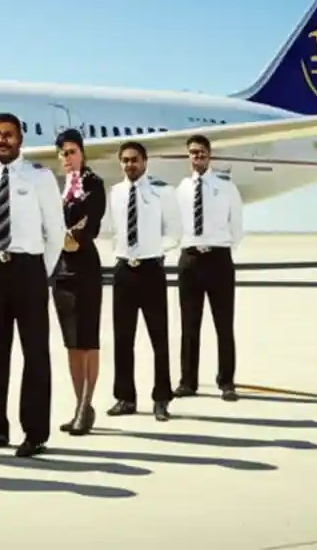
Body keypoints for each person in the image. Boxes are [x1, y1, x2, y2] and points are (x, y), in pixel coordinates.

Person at [0, 112, 64, 458]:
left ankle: (35, 432)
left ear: (20, 139)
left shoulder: (40, 177)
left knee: (35, 353)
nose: (2, 140)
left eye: (8, 134)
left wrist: (40, 271)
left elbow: (55, 232)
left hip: (29, 270)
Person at [102, 141, 181, 421]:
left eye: (134, 160)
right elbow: (111, 230)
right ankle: (125, 397)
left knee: (158, 338)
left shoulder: (162, 192)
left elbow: (174, 231)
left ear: (145, 162)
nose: (129, 165)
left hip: (151, 271)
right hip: (123, 271)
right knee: (123, 339)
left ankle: (162, 398)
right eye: (124, 160)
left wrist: (157, 253)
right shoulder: (115, 193)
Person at [174, 134, 243, 401]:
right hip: (190, 260)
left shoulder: (225, 186)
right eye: (193, 153)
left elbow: (236, 224)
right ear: (188, 157)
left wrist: (220, 248)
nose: (197, 157)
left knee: (223, 325)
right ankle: (188, 382)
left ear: (209, 156)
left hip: (218, 261)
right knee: (189, 325)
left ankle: (227, 382)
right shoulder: (181, 188)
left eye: (202, 153)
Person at [51, 129, 107, 436]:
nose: (67, 158)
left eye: (72, 152)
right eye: (62, 153)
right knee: (71, 342)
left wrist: (71, 236)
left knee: (87, 340)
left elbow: (90, 223)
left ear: (82, 153)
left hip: (84, 266)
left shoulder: (92, 184)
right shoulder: (59, 188)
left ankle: (87, 405)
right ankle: (78, 405)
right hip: (61, 269)